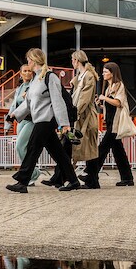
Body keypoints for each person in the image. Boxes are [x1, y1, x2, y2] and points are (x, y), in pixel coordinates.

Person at [5, 48, 81, 193]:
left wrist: (64, 123)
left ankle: (23, 181)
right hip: (40, 119)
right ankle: (73, 180)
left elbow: (57, 101)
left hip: (47, 119)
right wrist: (14, 114)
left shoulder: (50, 77)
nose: (27, 62)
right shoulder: (35, 79)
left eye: (28, 59)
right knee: (58, 153)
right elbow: (28, 103)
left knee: (33, 148)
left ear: (33, 60)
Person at [43, 50, 99, 187]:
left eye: (72, 60)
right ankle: (61, 177)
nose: (72, 63)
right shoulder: (80, 76)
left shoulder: (88, 76)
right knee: (69, 146)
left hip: (83, 118)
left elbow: (84, 98)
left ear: (76, 60)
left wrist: (74, 113)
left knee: (82, 147)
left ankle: (87, 179)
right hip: (77, 117)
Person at [82, 61, 136, 188]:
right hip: (110, 122)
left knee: (102, 148)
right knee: (118, 152)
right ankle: (127, 178)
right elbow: (110, 105)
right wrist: (100, 103)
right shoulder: (108, 88)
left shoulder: (119, 85)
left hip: (115, 124)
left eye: (106, 72)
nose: (103, 74)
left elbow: (118, 103)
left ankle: (91, 175)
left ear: (112, 73)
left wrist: (104, 98)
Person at [8, 64, 42, 185]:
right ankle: (31, 175)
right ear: (21, 73)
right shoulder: (20, 87)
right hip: (20, 121)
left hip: (32, 120)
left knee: (20, 146)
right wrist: (8, 122)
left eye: (29, 71)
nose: (27, 73)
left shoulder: (35, 85)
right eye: (25, 71)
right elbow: (14, 105)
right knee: (23, 149)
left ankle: (32, 173)